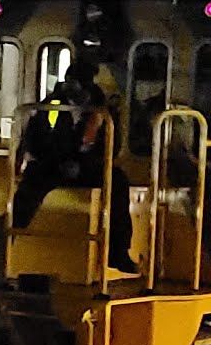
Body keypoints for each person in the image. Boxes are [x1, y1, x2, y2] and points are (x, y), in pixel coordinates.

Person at [12, 62, 138, 274]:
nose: (75, 87)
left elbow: (111, 148)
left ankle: (118, 251)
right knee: (29, 186)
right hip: (51, 164)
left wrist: (82, 161)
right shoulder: (50, 106)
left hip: (85, 167)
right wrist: (59, 162)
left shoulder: (102, 111)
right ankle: (5, 237)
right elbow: (35, 139)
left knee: (117, 180)